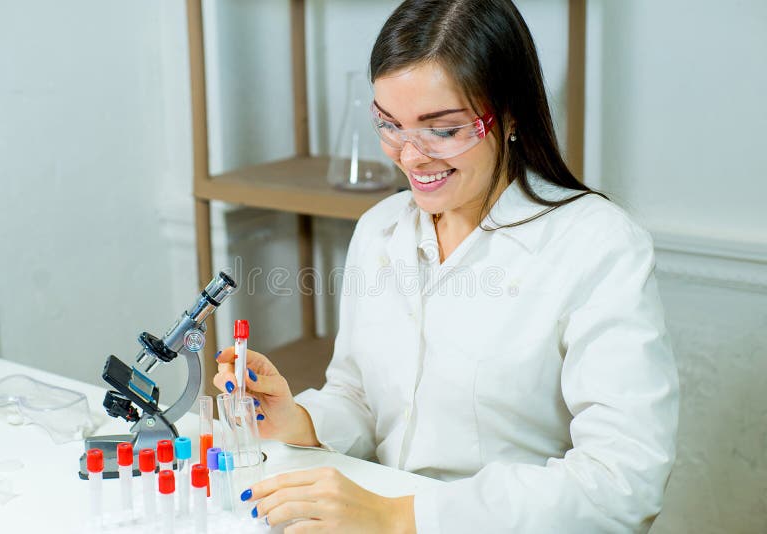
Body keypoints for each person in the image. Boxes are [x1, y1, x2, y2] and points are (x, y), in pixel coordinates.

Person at [214, 0, 679, 532]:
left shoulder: (597, 245)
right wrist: (302, 420)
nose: (411, 156)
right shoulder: (380, 229)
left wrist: (403, 516)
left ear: (510, 115)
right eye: (390, 124)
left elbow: (622, 482)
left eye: (443, 129)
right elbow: (360, 395)